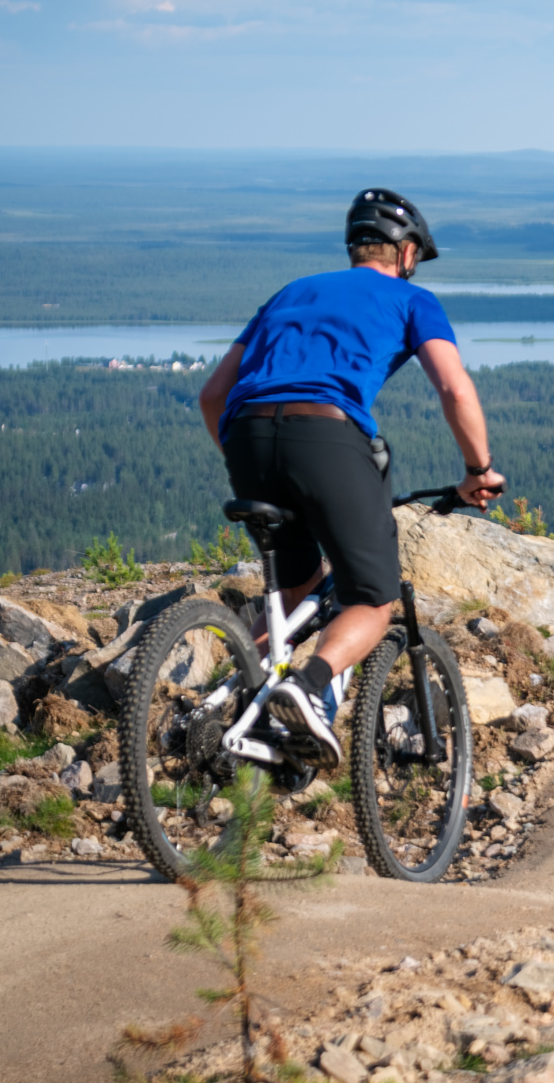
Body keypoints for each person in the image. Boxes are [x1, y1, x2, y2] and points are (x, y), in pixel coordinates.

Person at [196, 188, 506, 766]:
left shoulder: (290, 292)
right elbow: (454, 388)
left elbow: (213, 394)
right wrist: (477, 471)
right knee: (370, 597)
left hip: (245, 438)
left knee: (293, 592)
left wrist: (251, 460)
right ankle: (308, 687)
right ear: (406, 252)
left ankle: (223, 711)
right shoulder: (413, 300)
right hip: (328, 437)